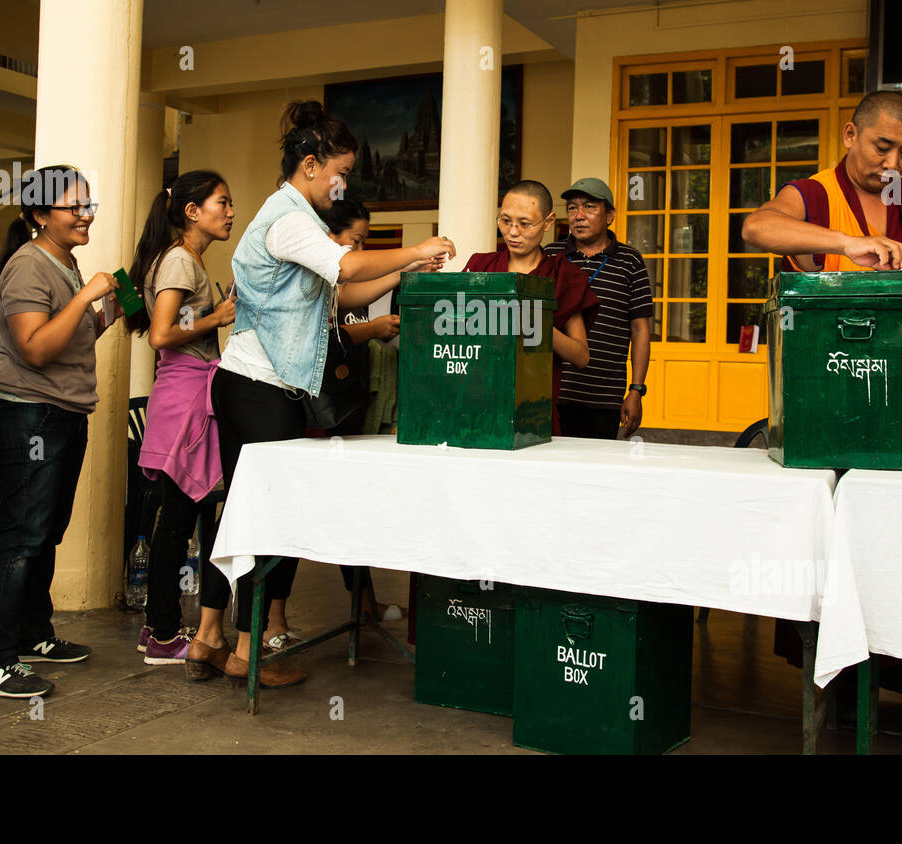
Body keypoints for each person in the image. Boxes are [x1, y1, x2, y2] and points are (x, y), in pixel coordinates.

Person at [742, 89, 902, 713]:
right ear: (850, 134)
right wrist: (847, 243)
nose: (894, 164)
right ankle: (831, 663)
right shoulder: (811, 193)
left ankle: (901, 654)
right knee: (835, 520)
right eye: (882, 146)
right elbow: (757, 226)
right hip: (834, 377)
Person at [212, 99, 450, 686]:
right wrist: (418, 249)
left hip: (252, 384)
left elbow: (332, 301)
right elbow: (344, 271)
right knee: (269, 519)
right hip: (259, 388)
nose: (343, 185)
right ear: (312, 165)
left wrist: (405, 276)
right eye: (340, 172)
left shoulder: (296, 219)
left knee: (251, 514)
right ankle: (247, 652)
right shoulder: (289, 219)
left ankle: (211, 641)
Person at [0, 166, 122, 698]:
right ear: (38, 214)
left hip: (63, 412)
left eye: (88, 204)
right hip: (28, 414)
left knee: (45, 532)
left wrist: (106, 314)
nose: (85, 215)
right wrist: (84, 299)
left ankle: (33, 634)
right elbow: (32, 349)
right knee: (21, 534)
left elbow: (66, 340)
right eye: (73, 207)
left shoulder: (64, 262)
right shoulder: (28, 265)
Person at [126, 170, 237, 670]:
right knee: (177, 516)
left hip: (188, 387)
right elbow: (162, 331)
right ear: (192, 211)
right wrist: (218, 316)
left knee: (177, 514)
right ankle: (164, 634)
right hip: (184, 390)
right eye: (222, 202)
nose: (230, 212)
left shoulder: (186, 259)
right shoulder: (178, 260)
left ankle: (158, 626)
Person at [318, 197, 404, 624]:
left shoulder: (356, 276)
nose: (359, 250)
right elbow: (327, 331)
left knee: (353, 502)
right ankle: (274, 619)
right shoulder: (316, 273)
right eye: (355, 241)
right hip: (327, 405)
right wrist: (369, 330)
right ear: (329, 237)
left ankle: (364, 600)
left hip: (354, 397)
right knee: (338, 502)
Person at [465, 180, 601, 435]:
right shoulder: (480, 266)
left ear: (548, 222)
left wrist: (533, 323)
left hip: (534, 406)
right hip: (477, 399)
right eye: (505, 221)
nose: (513, 232)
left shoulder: (562, 276)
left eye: (525, 223)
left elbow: (581, 356)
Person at [542, 177, 653, 439]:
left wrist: (636, 390)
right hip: (551, 391)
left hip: (604, 396)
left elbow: (640, 331)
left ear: (610, 215)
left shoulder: (630, 261)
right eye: (572, 208)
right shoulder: (550, 255)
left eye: (589, 207)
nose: (579, 216)